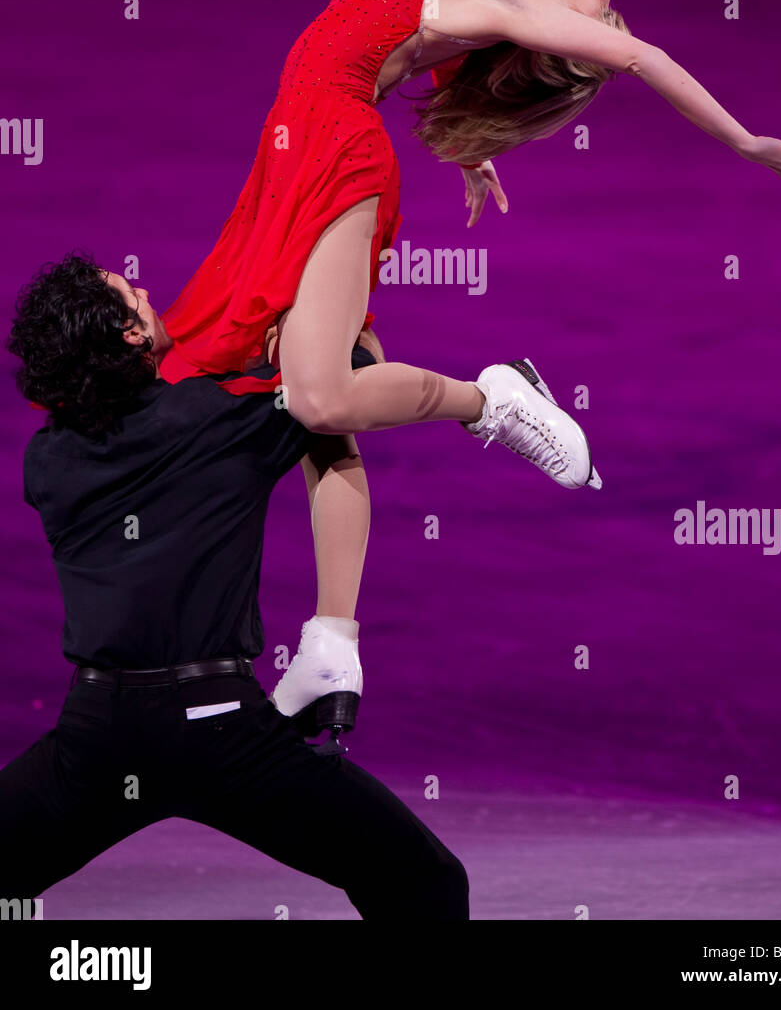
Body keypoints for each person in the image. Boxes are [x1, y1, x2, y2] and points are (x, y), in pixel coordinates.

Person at [156, 0, 781, 706]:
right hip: (299, 141)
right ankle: (331, 643)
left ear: (562, 29)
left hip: (335, 148)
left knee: (319, 397)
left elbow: (647, 57)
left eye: (601, 10)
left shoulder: (513, 6)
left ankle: (493, 402)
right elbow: (427, 38)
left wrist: (748, 143)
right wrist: (473, 154)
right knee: (331, 385)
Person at [0, 256, 469, 919]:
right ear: (130, 335)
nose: (144, 288)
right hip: (221, 732)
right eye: (129, 293)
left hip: (98, 737)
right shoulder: (216, 418)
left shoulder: (45, 462)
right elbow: (347, 380)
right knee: (426, 880)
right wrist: (294, 341)